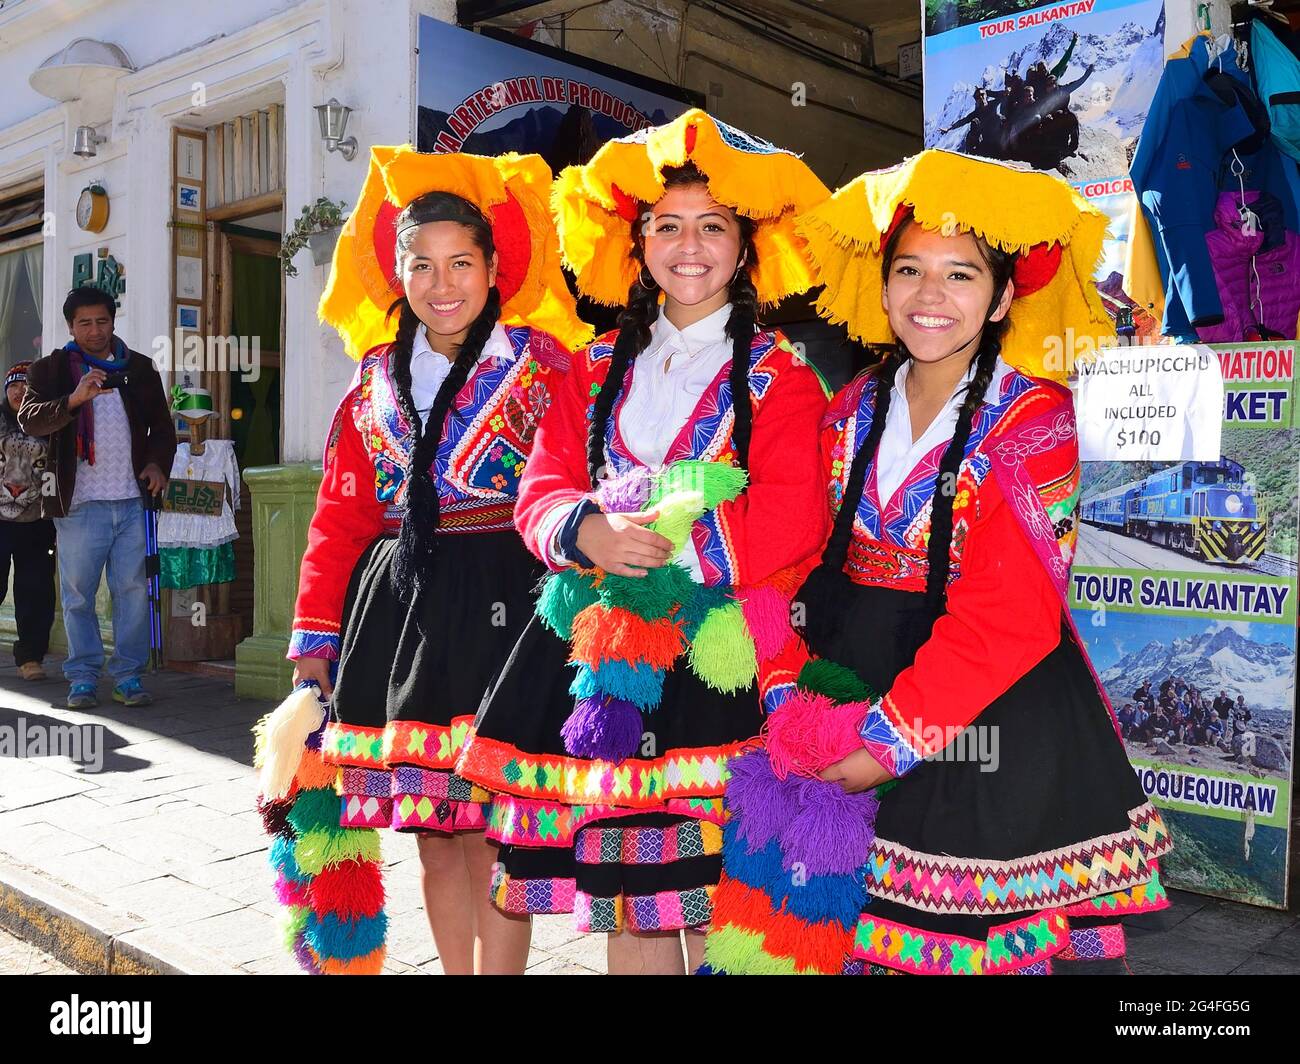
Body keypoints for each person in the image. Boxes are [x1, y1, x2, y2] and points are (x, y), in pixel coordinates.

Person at [705, 150, 1170, 976]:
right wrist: (787, 684)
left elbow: (1012, 613)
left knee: (946, 948)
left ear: (1000, 298)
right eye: (910, 271)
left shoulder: (1034, 419)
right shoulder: (851, 406)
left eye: (961, 275)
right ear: (881, 290)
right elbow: (796, 556)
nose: (931, 296)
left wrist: (883, 745)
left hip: (983, 715)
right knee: (816, 938)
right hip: (843, 683)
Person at [456, 110, 832, 975]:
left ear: (745, 248)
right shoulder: (587, 369)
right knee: (637, 902)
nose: (689, 245)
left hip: (725, 664)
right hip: (600, 659)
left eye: (712, 226)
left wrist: (669, 546)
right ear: (636, 244)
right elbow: (540, 486)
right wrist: (585, 530)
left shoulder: (781, 374)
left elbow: (796, 511)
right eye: (667, 225)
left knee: (730, 900)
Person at [281, 147, 589, 975]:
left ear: (494, 269)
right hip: (404, 614)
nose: (442, 283)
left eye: (461, 262)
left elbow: (574, 485)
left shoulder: (547, 367)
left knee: (498, 837)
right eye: (423, 264)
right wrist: (314, 648)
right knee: (435, 835)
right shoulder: (370, 383)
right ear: (398, 272)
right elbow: (339, 518)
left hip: (512, 609)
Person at [19, 288, 175, 709]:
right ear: (71, 326)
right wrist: (74, 399)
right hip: (79, 504)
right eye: (84, 323)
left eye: (101, 321)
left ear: (113, 321)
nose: (94, 330)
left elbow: (162, 427)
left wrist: (158, 464)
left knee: (132, 593)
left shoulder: (139, 368)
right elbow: (30, 420)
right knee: (78, 596)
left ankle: (128, 677)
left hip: (130, 502)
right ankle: (83, 677)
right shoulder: (50, 370)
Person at [0, 361, 56, 680]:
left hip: (38, 520)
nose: (20, 392)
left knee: (35, 589)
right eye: (14, 386)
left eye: (27, 387)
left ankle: (30, 657)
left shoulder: (52, 423)